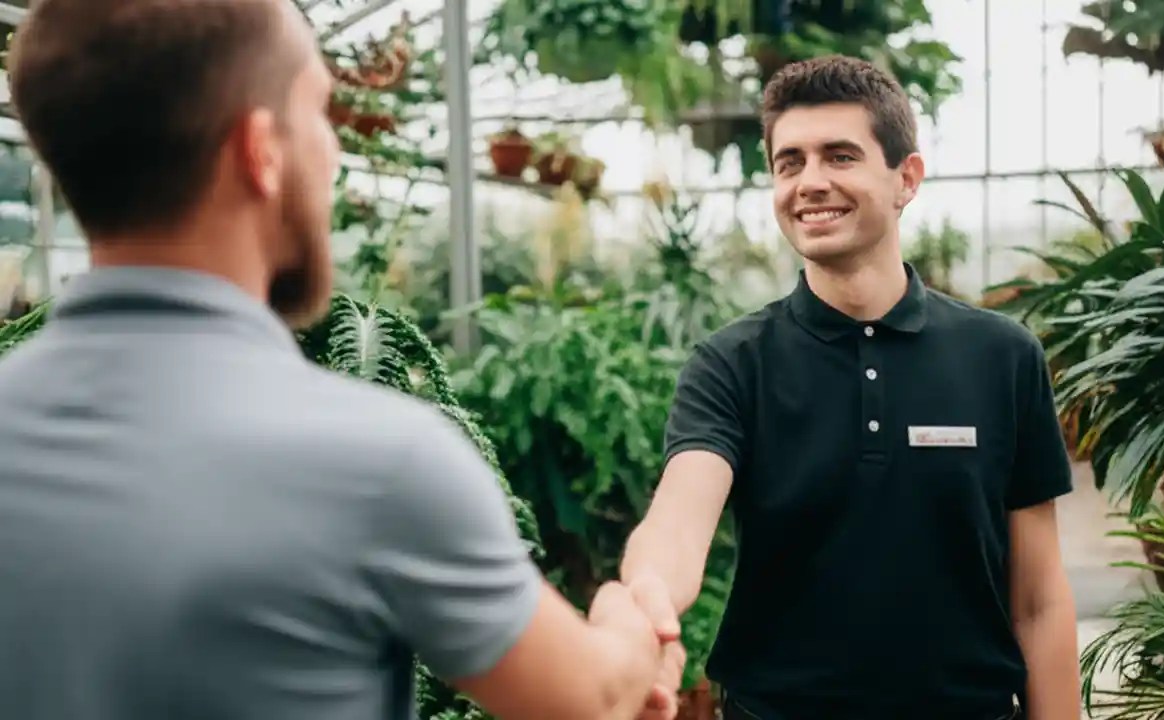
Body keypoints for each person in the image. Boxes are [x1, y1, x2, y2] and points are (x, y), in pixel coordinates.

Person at [0, 1, 682, 719]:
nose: (332, 151)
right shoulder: (379, 463)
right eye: (321, 113)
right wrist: (627, 619)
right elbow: (594, 699)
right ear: (260, 150)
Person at [620, 55, 1081, 719]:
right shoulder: (732, 364)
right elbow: (678, 520)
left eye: (839, 157)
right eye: (790, 162)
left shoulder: (1002, 357)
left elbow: (1039, 600)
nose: (810, 182)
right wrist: (649, 591)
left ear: (906, 178)